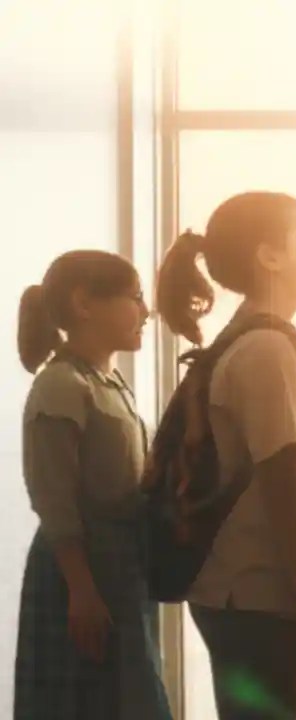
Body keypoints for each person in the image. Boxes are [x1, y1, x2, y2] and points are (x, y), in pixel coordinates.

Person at [155, 192, 296, 720]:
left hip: (241, 596)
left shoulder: (253, 339)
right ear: (271, 256)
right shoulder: (265, 349)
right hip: (257, 598)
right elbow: (285, 487)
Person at [14, 251, 171, 720]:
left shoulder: (111, 382)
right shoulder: (61, 385)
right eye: (135, 298)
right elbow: (54, 499)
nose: (145, 312)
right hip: (81, 572)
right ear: (85, 303)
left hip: (121, 569)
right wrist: (81, 589)